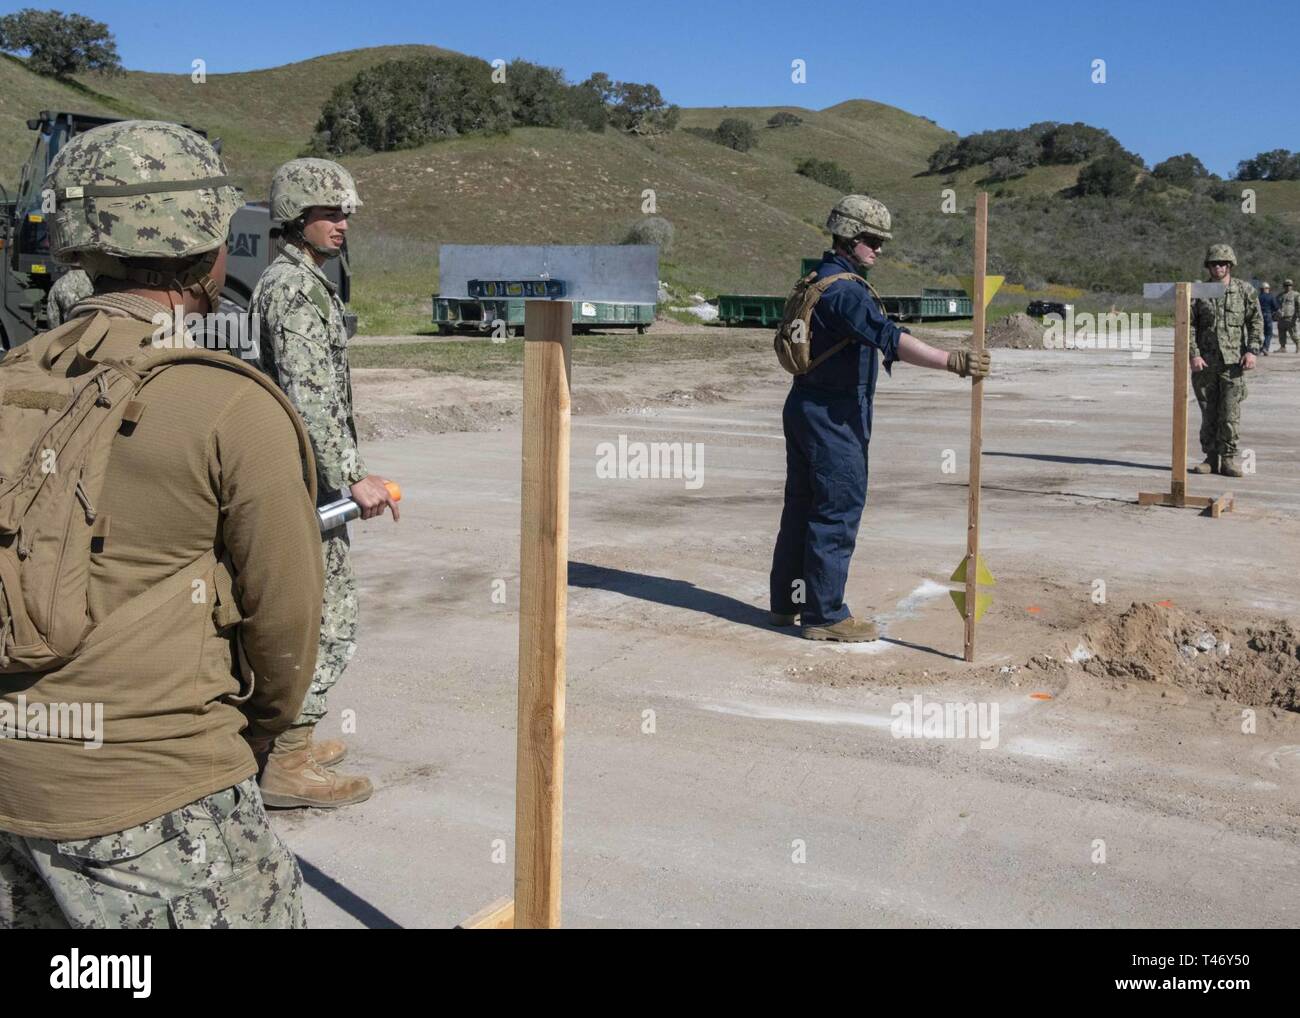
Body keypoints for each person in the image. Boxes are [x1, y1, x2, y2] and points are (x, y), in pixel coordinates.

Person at [0, 120, 324, 928]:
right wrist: (252, 742)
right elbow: (286, 629)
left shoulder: (14, 375)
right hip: (158, 794)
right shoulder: (229, 403)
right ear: (214, 243)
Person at [769, 195, 990, 642]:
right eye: (872, 240)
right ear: (849, 237)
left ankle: (789, 603)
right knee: (836, 509)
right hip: (834, 416)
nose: (879, 249)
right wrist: (953, 361)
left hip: (806, 407)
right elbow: (890, 339)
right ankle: (826, 615)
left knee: (801, 506)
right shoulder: (847, 291)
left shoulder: (818, 278)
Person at [252, 158, 398, 808]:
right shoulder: (292, 290)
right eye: (330, 213)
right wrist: (354, 479)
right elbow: (311, 396)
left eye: (345, 214)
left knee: (309, 618)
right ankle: (287, 763)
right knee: (329, 622)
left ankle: (292, 740)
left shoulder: (300, 281)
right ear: (296, 217)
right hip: (308, 489)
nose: (342, 224)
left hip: (308, 484)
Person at [1189, 244, 1262, 478]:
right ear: (1208, 266)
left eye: (1222, 263)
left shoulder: (1244, 290)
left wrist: (1252, 350)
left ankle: (1228, 459)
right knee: (1208, 412)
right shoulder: (1199, 291)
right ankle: (1210, 458)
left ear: (1230, 265)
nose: (1218, 267)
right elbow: (1188, 324)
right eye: (1213, 263)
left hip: (1233, 364)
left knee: (1230, 414)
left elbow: (1256, 322)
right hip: (1206, 364)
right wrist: (1194, 354)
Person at [1277, 279, 1299, 353]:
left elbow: (1299, 305)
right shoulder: (1280, 295)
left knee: (1293, 333)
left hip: (1291, 317)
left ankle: (1298, 346)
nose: (1288, 287)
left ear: (1292, 286)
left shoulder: (1296, 294)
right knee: (1281, 334)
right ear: (1284, 286)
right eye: (1286, 285)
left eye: (1290, 285)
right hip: (1281, 318)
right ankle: (1282, 347)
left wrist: (1298, 315)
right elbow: (1276, 306)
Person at [1258, 281, 1278, 355]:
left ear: (1261, 289)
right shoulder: (1271, 296)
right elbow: (1276, 307)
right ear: (1266, 289)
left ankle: (1259, 349)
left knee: (1260, 333)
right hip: (1268, 316)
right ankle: (1265, 348)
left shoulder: (1258, 297)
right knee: (1268, 333)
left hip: (1259, 316)